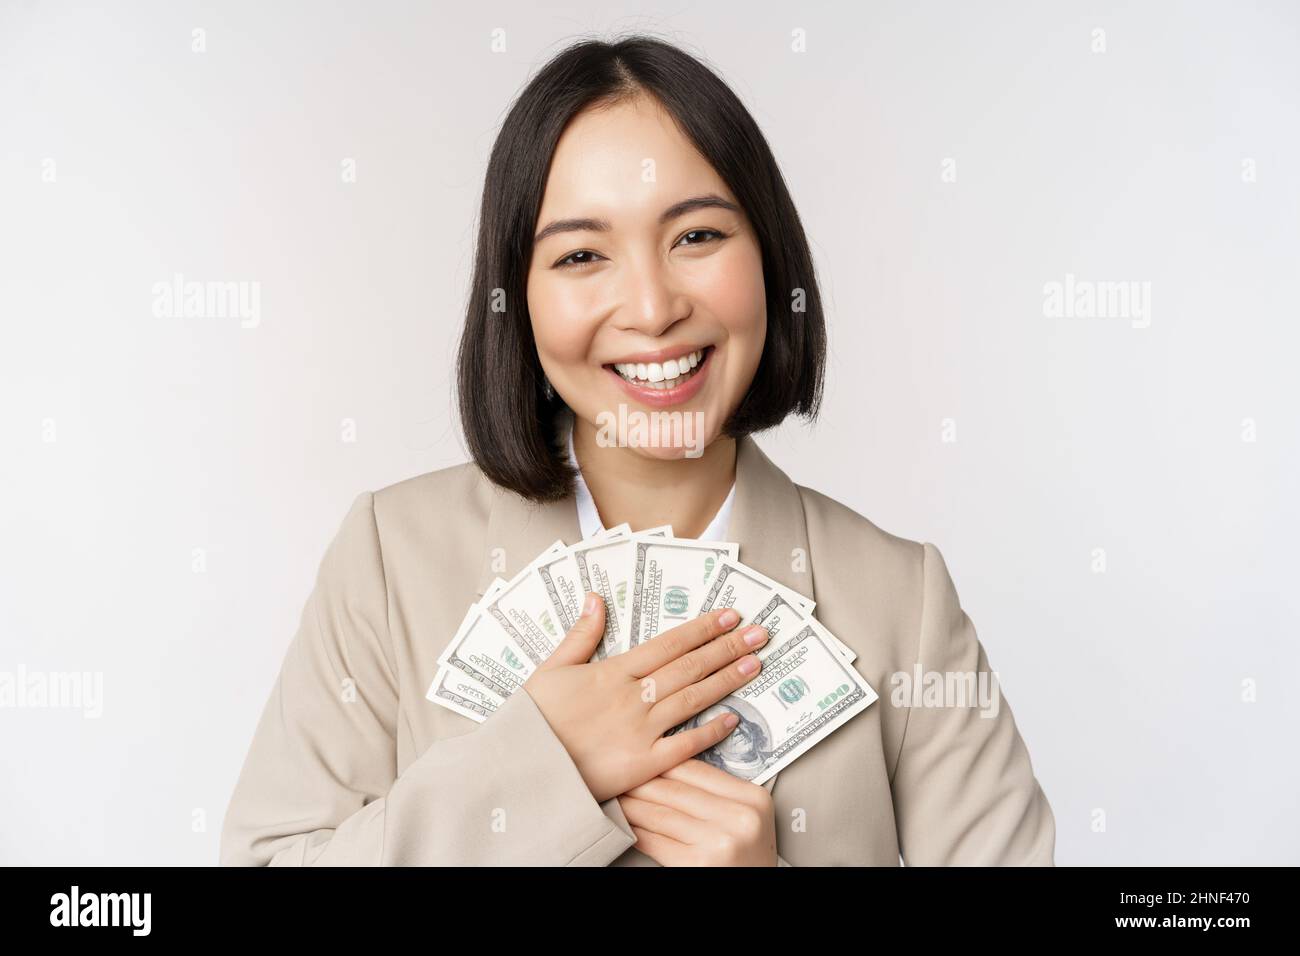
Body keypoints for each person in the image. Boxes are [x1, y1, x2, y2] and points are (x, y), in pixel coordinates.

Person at [220, 35, 1055, 867]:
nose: (652, 309)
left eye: (696, 237)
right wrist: (545, 766)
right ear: (520, 298)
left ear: (769, 256)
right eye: (582, 255)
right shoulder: (390, 558)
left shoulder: (900, 602)